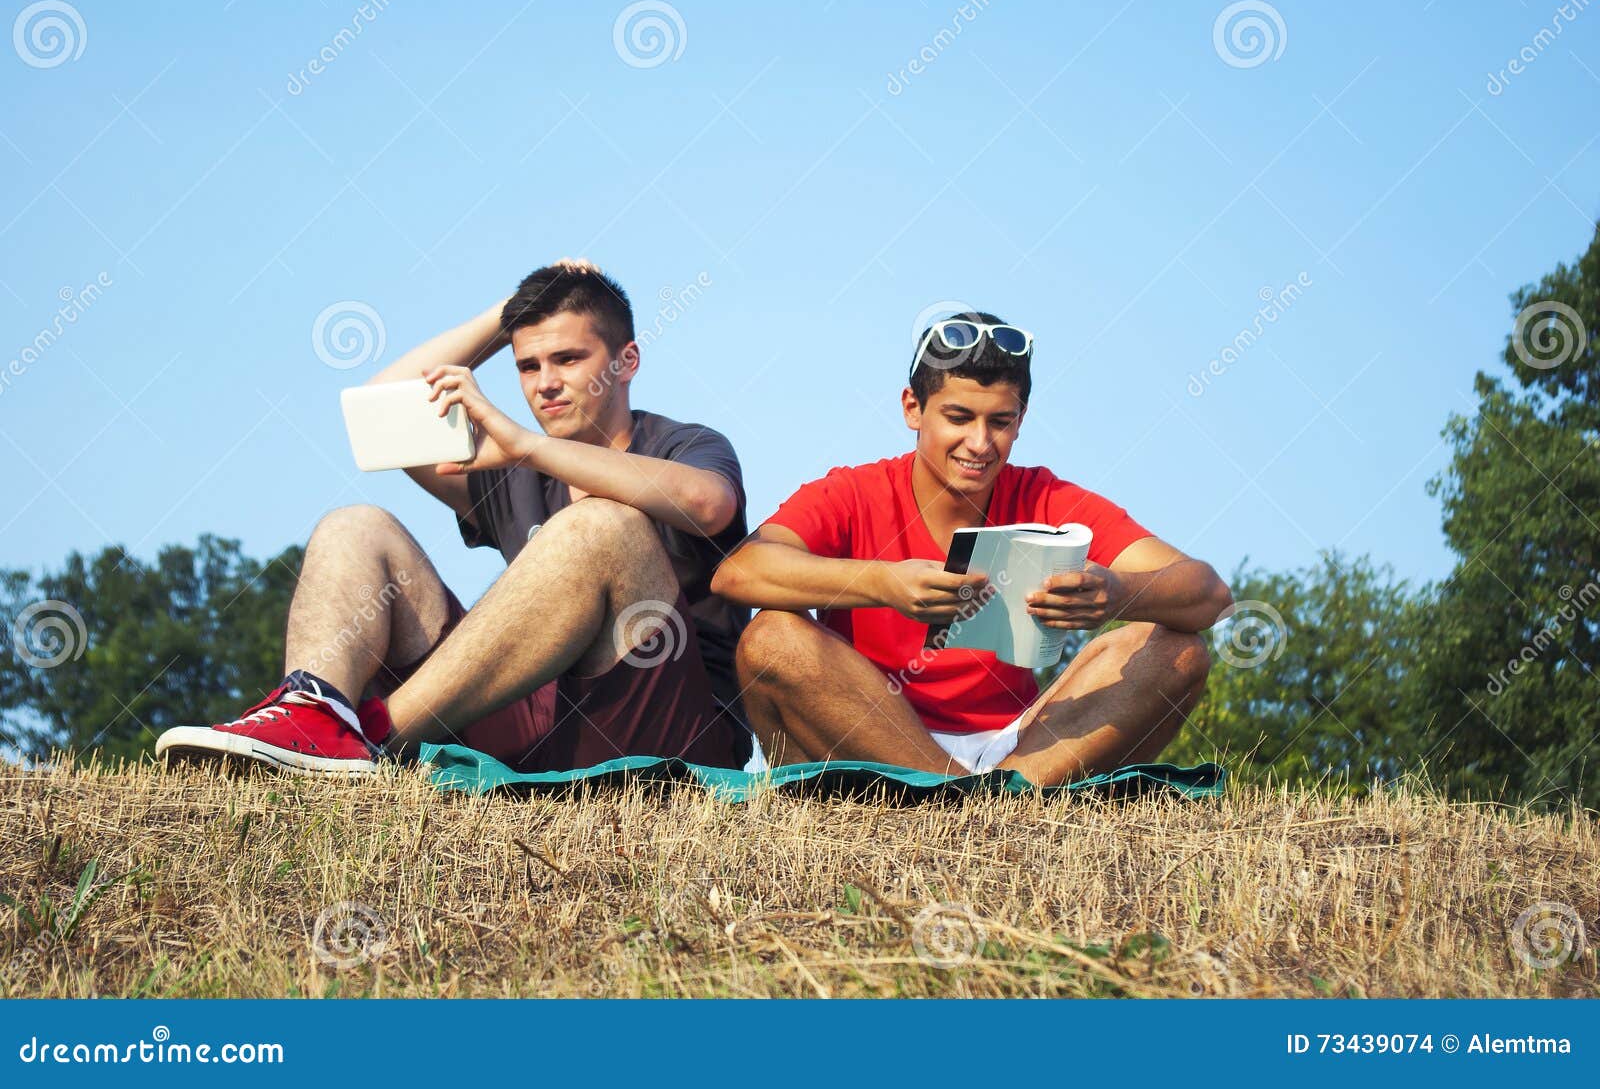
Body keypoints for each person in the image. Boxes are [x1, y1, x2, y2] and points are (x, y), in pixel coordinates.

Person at [157, 259, 751, 776]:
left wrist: (525, 446)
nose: (545, 384)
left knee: (602, 526)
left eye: (568, 359)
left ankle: (374, 736)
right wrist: (510, 312)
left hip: (670, 726)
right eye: (526, 365)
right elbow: (379, 415)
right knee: (355, 527)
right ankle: (313, 716)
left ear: (626, 361)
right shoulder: (513, 464)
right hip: (543, 724)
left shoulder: (682, 443)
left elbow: (708, 504)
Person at [710, 312, 1232, 786]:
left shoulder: (1045, 496)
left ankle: (977, 801)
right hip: (870, 738)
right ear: (912, 408)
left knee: (1176, 649)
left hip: (1016, 750)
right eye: (959, 418)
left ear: (1021, 419)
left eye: (1000, 422)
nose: (980, 444)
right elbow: (738, 573)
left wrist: (1116, 593)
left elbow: (1207, 593)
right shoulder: (853, 491)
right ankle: (967, 800)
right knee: (771, 636)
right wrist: (882, 584)